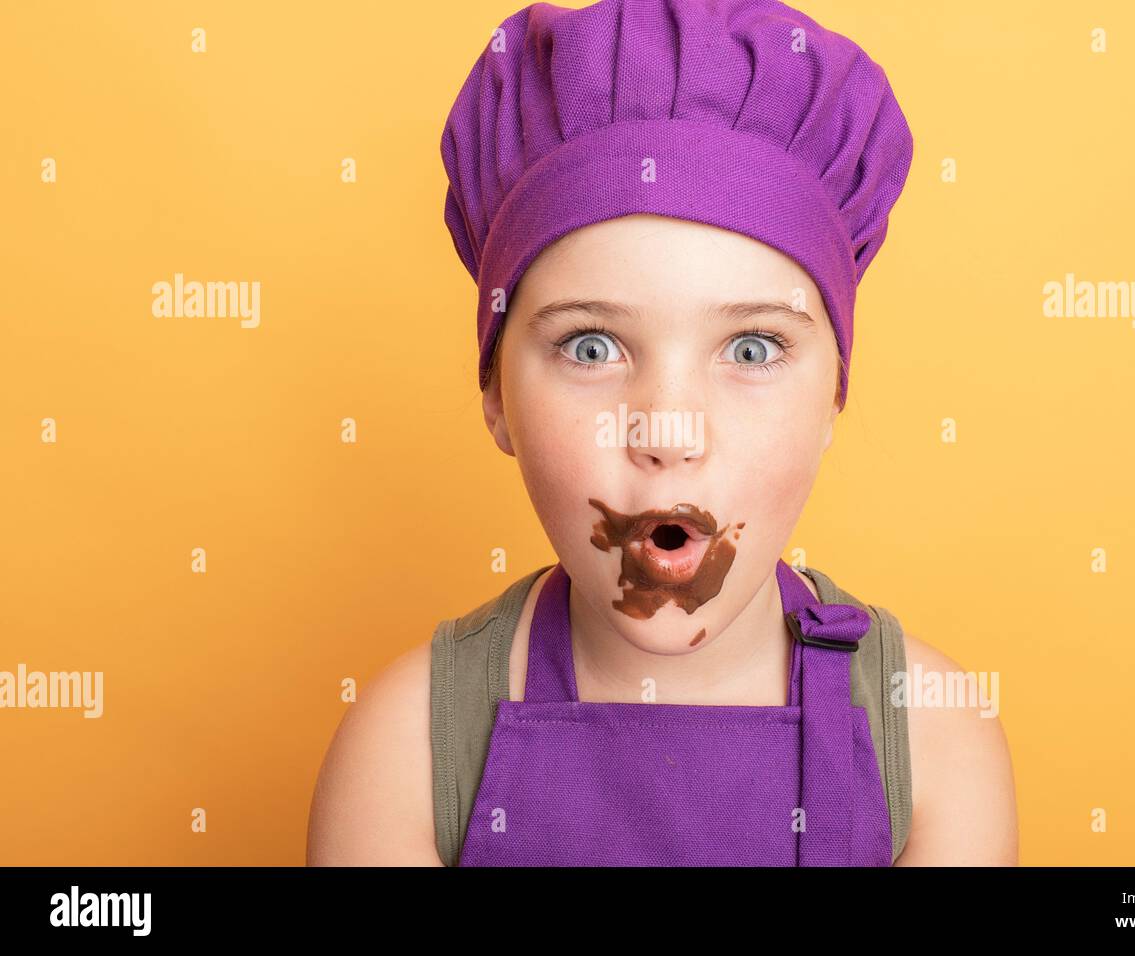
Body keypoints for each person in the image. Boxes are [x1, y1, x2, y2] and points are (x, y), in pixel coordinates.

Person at [308, 0, 1017, 866]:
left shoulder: (934, 739)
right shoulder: (405, 752)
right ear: (495, 393)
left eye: (752, 348)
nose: (670, 430)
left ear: (835, 391)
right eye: (592, 345)